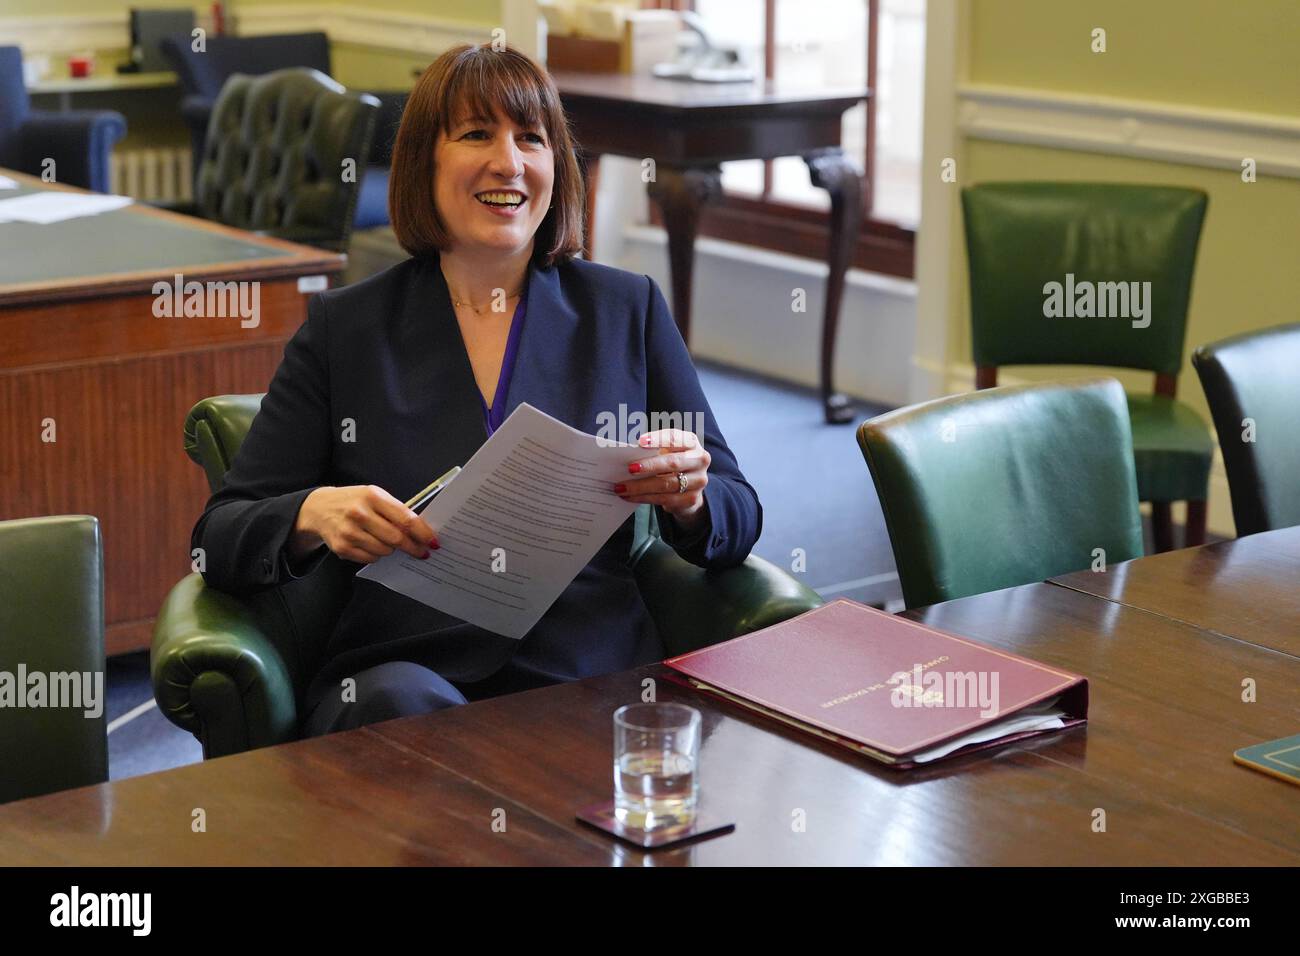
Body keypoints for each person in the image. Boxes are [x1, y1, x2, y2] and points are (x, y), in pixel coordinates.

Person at [192, 43, 761, 736]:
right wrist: (313, 514)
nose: (510, 163)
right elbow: (218, 537)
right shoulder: (346, 330)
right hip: (404, 675)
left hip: (585, 671)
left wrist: (694, 500)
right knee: (402, 714)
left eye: (531, 138)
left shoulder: (625, 309)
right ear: (423, 164)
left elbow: (738, 513)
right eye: (475, 134)